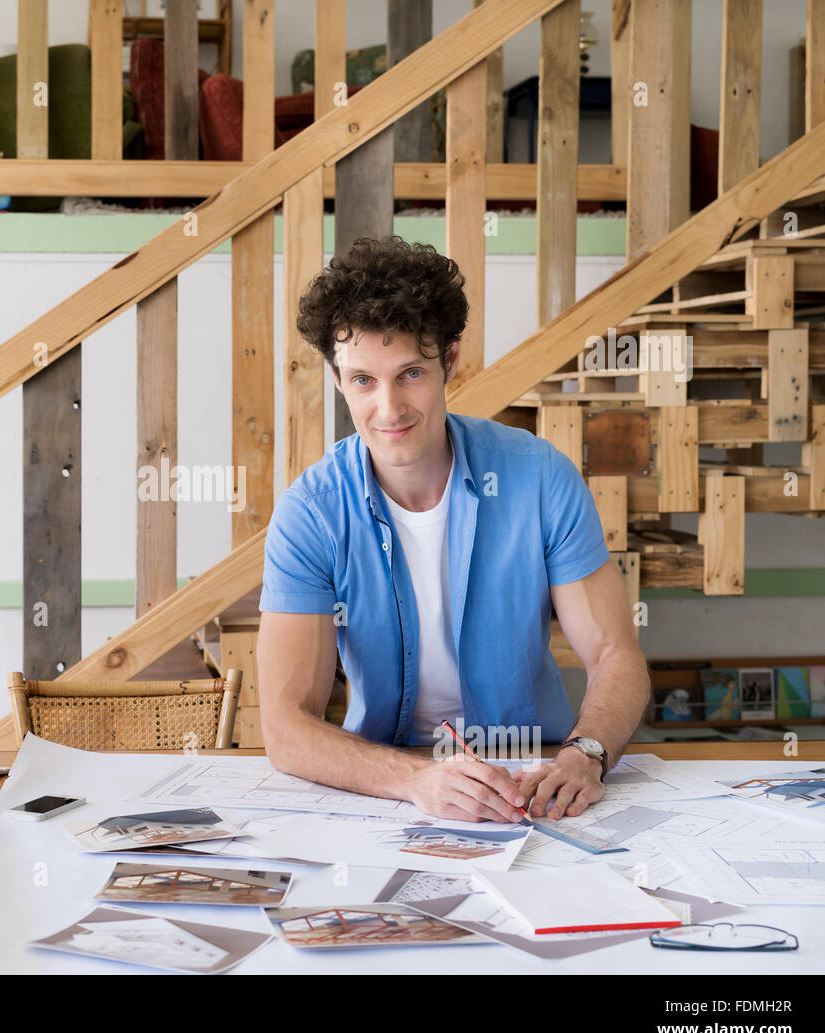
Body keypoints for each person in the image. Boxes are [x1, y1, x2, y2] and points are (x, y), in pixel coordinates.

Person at [257, 236, 650, 823]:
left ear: (452, 361)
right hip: (387, 782)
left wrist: (585, 755)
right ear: (338, 379)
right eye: (363, 380)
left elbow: (617, 654)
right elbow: (287, 729)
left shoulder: (540, 478)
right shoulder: (310, 512)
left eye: (410, 373)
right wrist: (417, 780)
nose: (389, 409)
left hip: (538, 777)